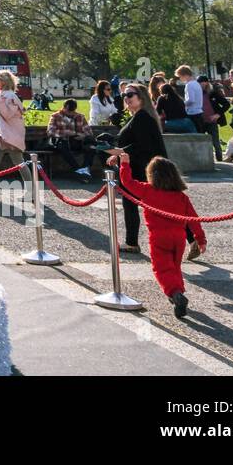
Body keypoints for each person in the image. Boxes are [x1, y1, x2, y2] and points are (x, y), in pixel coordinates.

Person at [106, 152, 206, 318]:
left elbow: (127, 183)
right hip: (179, 237)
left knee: (162, 269)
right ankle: (177, 293)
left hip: (158, 237)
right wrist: (200, 240)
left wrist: (124, 164)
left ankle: (175, 293)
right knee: (174, 267)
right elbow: (194, 220)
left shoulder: (147, 190)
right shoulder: (182, 197)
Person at [110, 82, 168, 255]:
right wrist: (118, 153)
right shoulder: (138, 116)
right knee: (161, 205)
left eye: (130, 95)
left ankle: (132, 242)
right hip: (142, 167)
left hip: (145, 169)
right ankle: (131, 241)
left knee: (164, 206)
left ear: (141, 97)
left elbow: (142, 145)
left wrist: (119, 152)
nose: (126, 99)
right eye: (124, 96)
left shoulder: (142, 117)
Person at [0, 70, 31, 184]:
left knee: (19, 163)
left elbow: (7, 115)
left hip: (10, 136)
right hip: (0, 135)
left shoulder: (9, 96)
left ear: (4, 81)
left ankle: (31, 190)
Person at [46, 99, 96, 182]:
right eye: (69, 111)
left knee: (91, 147)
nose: (71, 113)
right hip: (63, 142)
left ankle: (84, 169)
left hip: (77, 142)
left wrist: (82, 135)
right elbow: (50, 132)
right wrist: (66, 133)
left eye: (73, 111)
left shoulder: (80, 116)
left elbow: (89, 132)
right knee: (62, 146)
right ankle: (79, 170)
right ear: (64, 107)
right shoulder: (55, 116)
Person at [175, 65, 205, 134]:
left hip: (192, 113)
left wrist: (181, 103)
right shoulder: (196, 83)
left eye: (180, 76)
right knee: (200, 134)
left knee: (194, 136)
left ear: (185, 75)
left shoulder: (189, 85)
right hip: (199, 112)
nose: (180, 78)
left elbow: (191, 100)